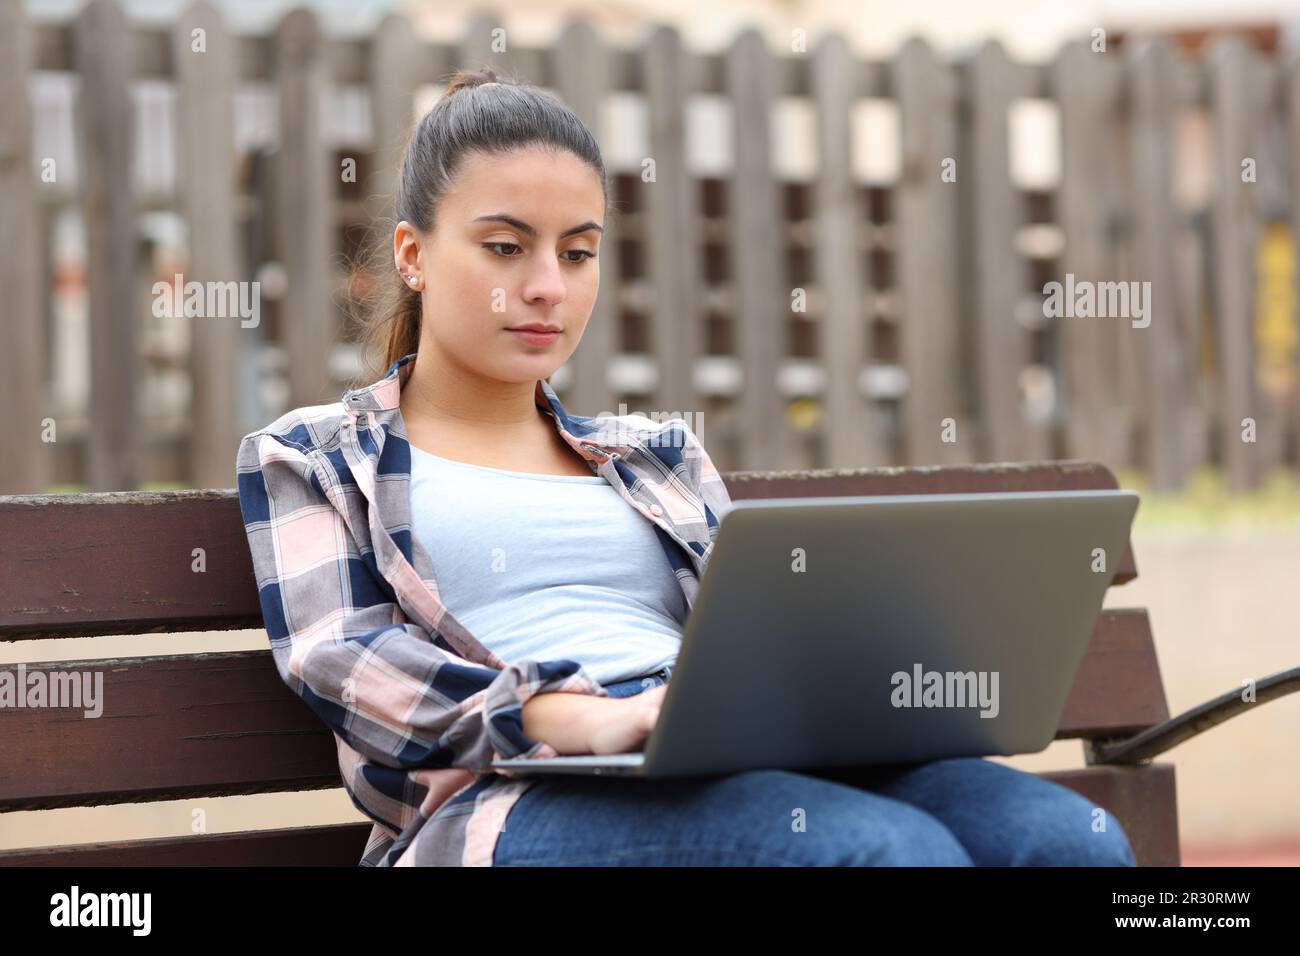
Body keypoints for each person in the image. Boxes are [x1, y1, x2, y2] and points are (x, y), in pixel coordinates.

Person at [234, 67, 1137, 868]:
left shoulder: (656, 453)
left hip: (717, 749)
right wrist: (574, 716)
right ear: (414, 255)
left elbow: (758, 634)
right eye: (506, 247)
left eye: (578, 251)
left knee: (1060, 842)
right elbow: (340, 659)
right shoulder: (315, 455)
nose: (549, 285)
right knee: (882, 852)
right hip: (512, 796)